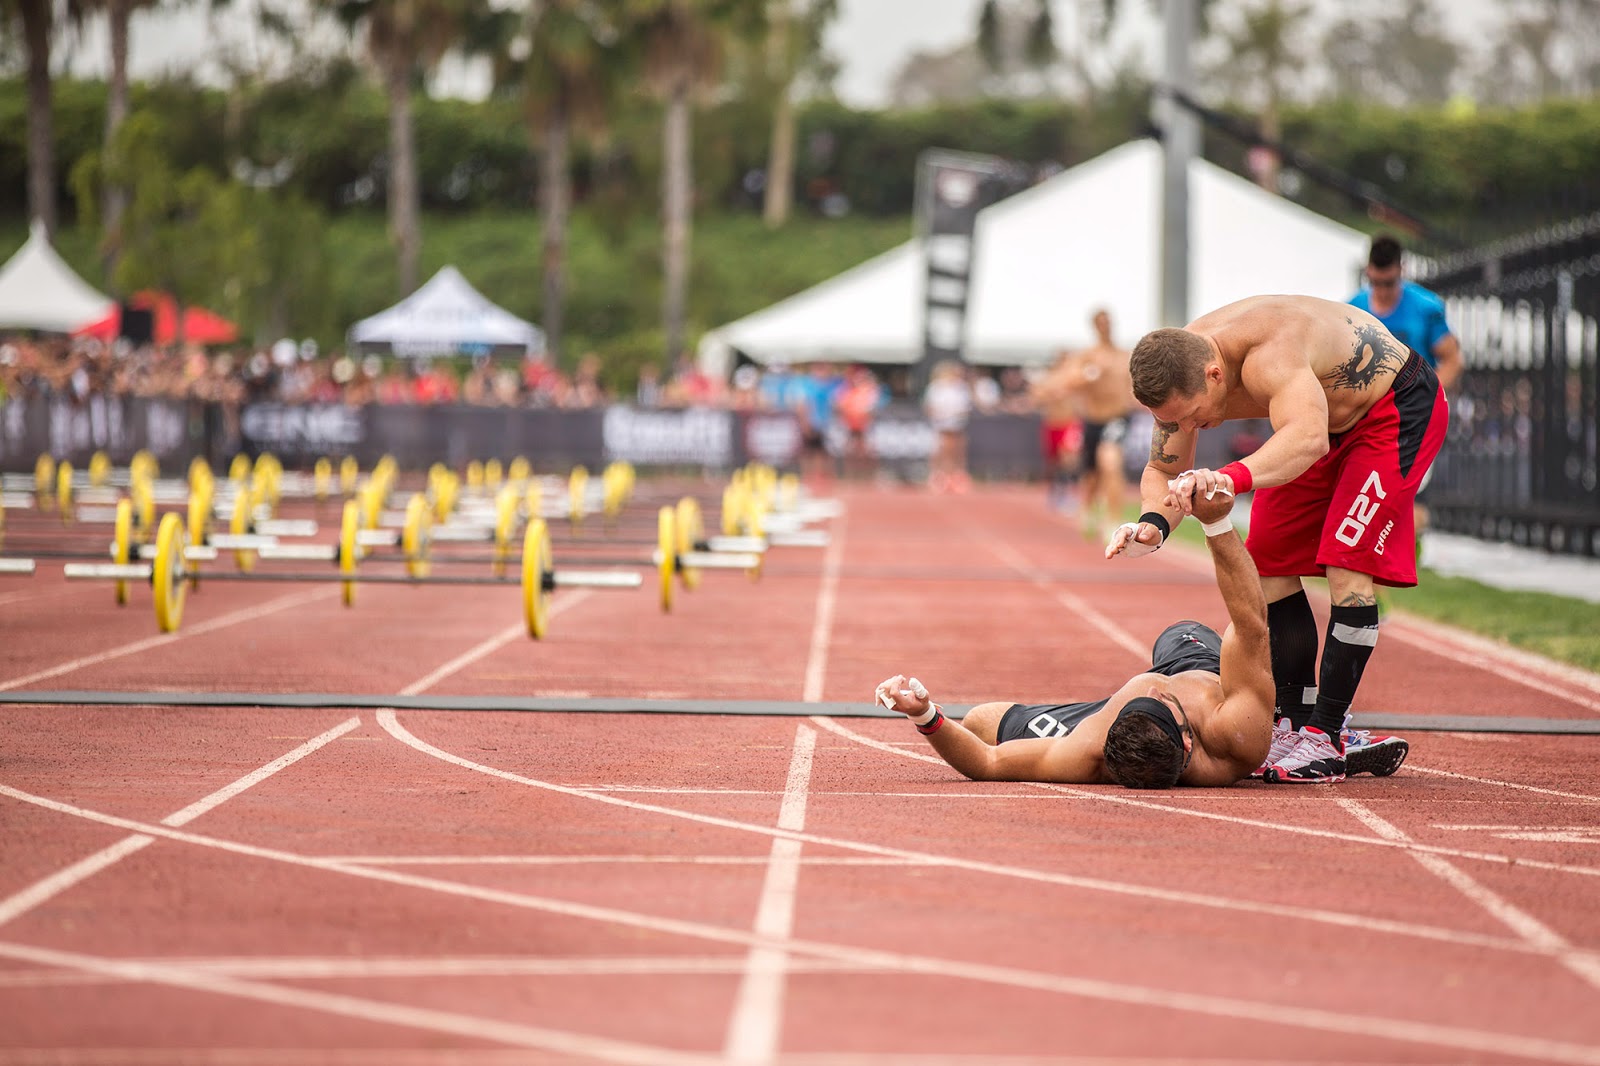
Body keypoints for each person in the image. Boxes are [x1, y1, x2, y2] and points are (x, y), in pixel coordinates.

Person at [1105, 294, 1444, 783]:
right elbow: (1163, 467)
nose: (1188, 429)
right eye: (1172, 421)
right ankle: (1294, 721)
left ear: (1214, 375)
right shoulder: (1180, 366)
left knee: (1346, 563)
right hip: (1319, 421)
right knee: (1267, 563)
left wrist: (1226, 480)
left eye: (1193, 415)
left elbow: (1307, 439)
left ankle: (1326, 735)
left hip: (1390, 410)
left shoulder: (1269, 353)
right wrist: (1151, 526)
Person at [875, 486, 1274, 788]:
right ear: (1188, 742)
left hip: (1103, 719)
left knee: (982, 721)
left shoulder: (1089, 749)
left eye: (1144, 697)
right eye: (1159, 697)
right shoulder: (1239, 734)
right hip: (1195, 665)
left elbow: (988, 763)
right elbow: (1251, 624)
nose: (1153, 687)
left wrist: (923, 714)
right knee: (1202, 637)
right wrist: (1217, 524)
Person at [1349, 234, 1464, 553]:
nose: (1384, 291)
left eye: (1390, 283)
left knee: (1412, 489)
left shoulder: (1426, 307)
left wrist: (1428, 396)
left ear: (1402, 271)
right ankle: (1373, 555)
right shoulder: (1352, 309)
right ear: (1368, 272)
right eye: (1378, 283)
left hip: (1414, 415)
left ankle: (1409, 559)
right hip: (1369, 416)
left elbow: (1453, 359)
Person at [1066, 309, 1138, 538]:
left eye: (1108, 322)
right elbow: (1071, 382)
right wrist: (1089, 375)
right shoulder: (1088, 355)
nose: (1105, 326)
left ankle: (1113, 519)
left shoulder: (1124, 356)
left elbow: (1134, 386)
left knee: (1111, 464)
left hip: (1117, 417)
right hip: (1093, 418)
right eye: (1101, 323)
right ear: (1095, 326)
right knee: (1091, 475)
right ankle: (1087, 509)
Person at [1030, 348, 1085, 513]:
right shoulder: (1050, 379)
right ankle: (1056, 490)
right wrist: (1051, 394)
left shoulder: (1075, 378)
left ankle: (1068, 494)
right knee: (1054, 463)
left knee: (1069, 459)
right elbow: (1036, 397)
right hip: (1052, 424)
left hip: (1070, 423)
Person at [922, 360, 974, 493]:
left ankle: (957, 478)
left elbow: (966, 407)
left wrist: (954, 414)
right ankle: (938, 478)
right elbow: (929, 407)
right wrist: (942, 415)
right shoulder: (935, 388)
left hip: (957, 426)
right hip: (940, 426)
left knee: (957, 452)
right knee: (940, 452)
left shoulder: (961, 388)